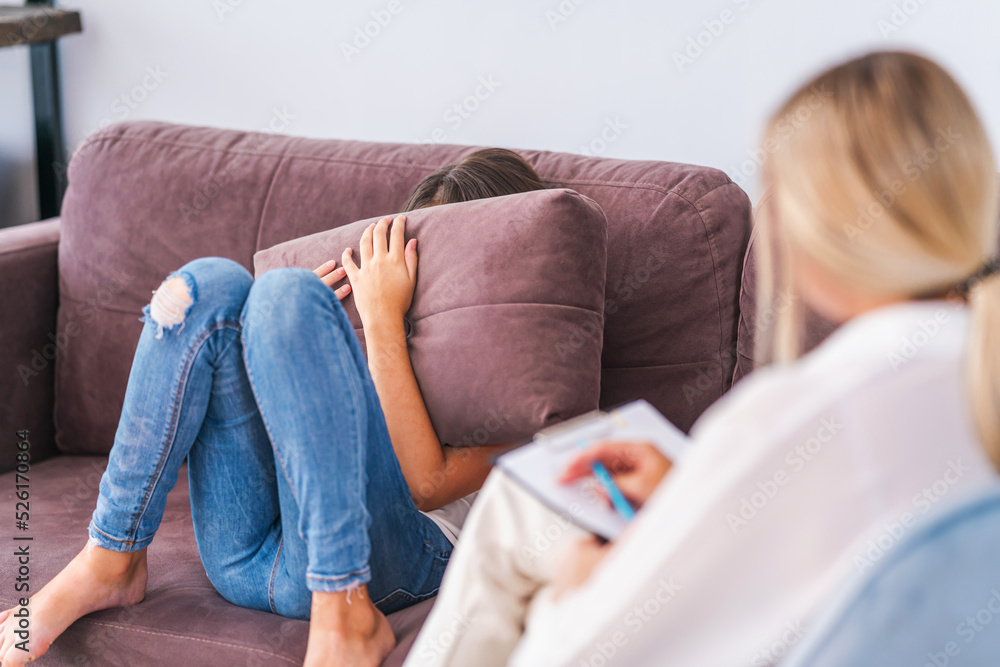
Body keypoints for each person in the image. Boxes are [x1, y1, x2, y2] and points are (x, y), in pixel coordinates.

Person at [405, 51, 1000, 666]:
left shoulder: (800, 412)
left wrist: (576, 588)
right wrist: (694, 489)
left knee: (515, 506)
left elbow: (587, 650)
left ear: (809, 233)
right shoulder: (970, 374)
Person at [0, 149, 544, 667]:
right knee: (212, 284)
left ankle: (343, 611)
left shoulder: (535, 380)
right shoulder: (389, 322)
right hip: (251, 557)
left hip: (398, 561)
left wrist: (380, 322)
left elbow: (425, 483)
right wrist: (294, 334)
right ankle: (110, 557)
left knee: (285, 294)